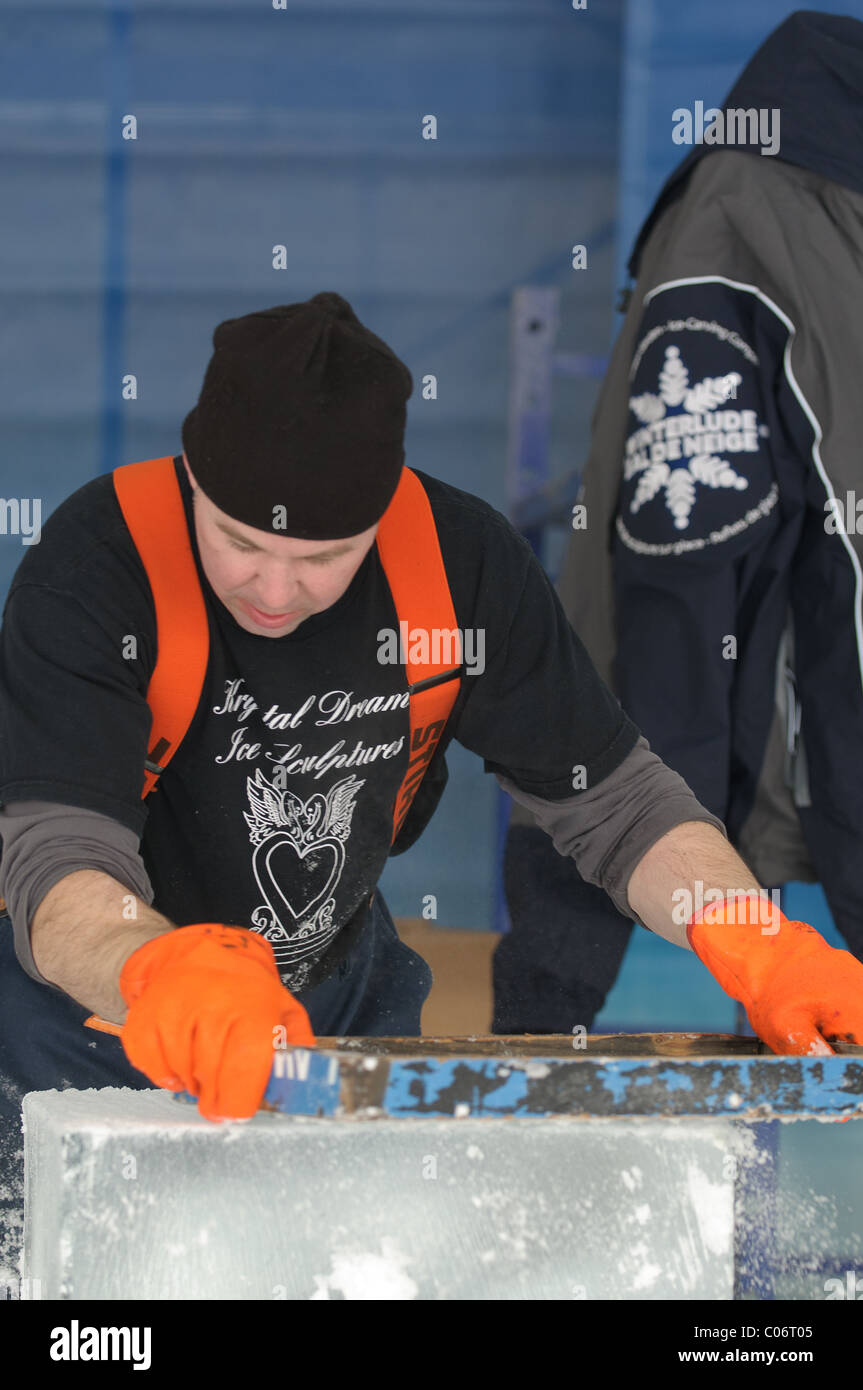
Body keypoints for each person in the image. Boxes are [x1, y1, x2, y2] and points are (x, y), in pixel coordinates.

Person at [0, 291, 861, 1283]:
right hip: (92, 1020)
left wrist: (744, 929)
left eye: (322, 559)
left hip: (336, 1004)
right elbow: (58, 865)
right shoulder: (97, 564)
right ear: (192, 478)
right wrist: (159, 972)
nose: (274, 592)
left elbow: (616, 804)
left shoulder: (456, 566)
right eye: (239, 542)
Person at [495, 10, 863, 1034]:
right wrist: (547, 989)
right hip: (704, 757)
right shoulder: (757, 221)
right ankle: (533, 1054)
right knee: (669, 617)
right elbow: (677, 605)